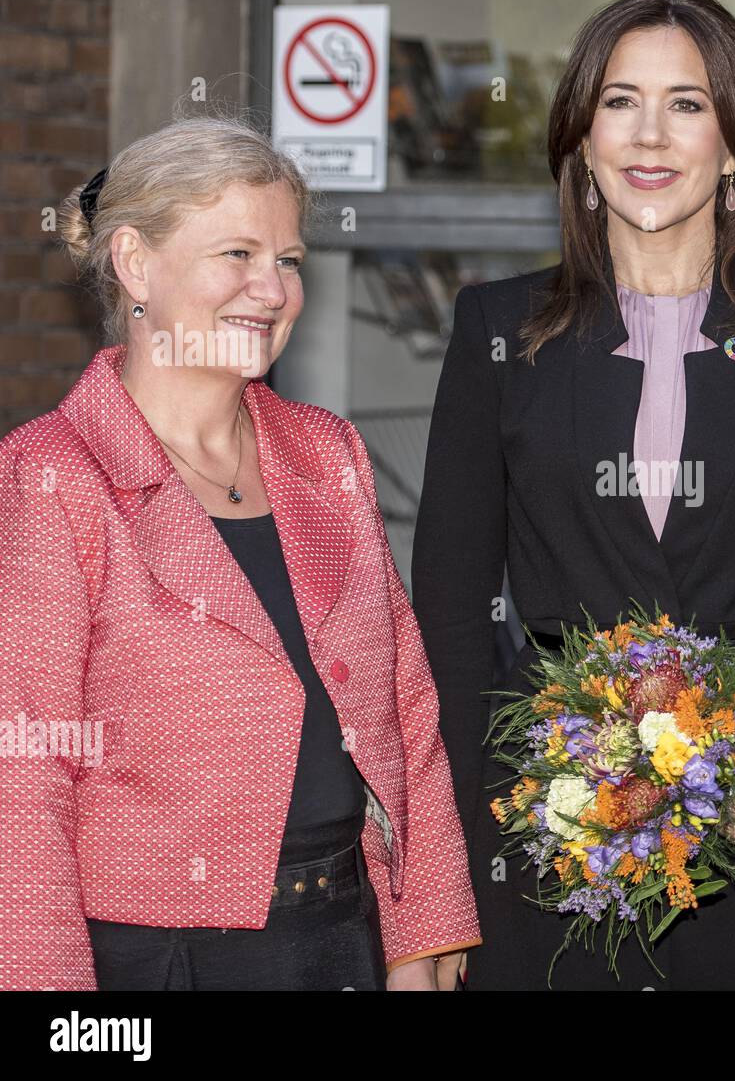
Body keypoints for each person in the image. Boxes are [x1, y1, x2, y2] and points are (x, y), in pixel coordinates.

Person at [412, 0, 735, 990]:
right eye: (618, 101)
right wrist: (450, 870)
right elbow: (451, 616)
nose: (650, 134)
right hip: (546, 826)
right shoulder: (497, 332)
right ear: (580, 139)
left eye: (686, 103)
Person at [0, 115, 479, 991]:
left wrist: (425, 920)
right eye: (238, 255)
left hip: (342, 933)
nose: (273, 289)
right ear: (136, 264)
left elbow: (404, 700)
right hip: (156, 959)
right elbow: (23, 775)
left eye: (288, 261)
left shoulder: (325, 453)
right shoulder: (54, 473)